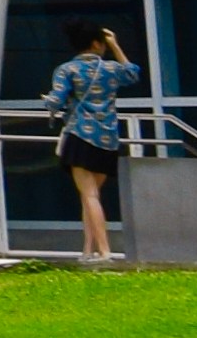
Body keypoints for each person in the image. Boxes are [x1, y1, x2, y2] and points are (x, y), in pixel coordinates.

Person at [41, 28, 140, 265]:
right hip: (108, 139)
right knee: (91, 196)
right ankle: (88, 249)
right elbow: (132, 73)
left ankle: (104, 251)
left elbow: (56, 100)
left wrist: (47, 101)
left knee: (89, 195)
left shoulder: (67, 69)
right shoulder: (111, 69)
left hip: (80, 135)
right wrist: (115, 45)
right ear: (97, 44)